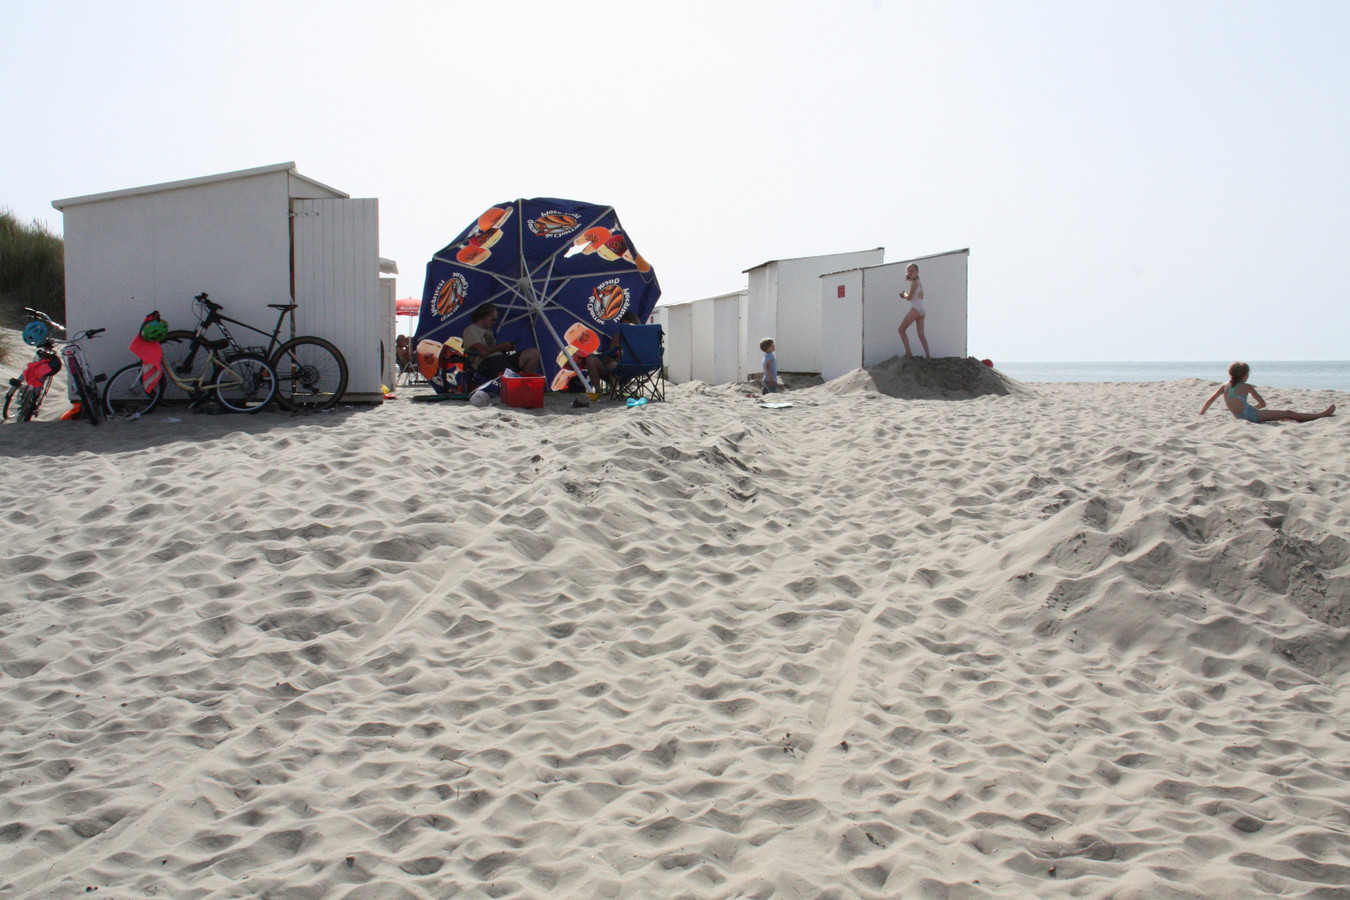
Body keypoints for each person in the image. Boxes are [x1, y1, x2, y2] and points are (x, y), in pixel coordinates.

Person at [1200, 361, 1335, 423]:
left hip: (1239, 417)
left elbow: (1210, 400)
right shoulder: (1247, 387)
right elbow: (1262, 404)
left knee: (1280, 416)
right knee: (1289, 412)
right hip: (1253, 416)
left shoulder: (1224, 386)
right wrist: (1254, 408)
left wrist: (1201, 414)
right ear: (1245, 375)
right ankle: (1320, 415)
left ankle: (1285, 419)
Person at [462, 302, 540, 379]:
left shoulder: (490, 331)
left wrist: (507, 348)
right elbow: (483, 352)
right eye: (493, 319)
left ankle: (527, 385)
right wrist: (501, 346)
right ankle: (517, 385)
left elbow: (495, 349)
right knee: (505, 368)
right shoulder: (471, 330)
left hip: (500, 359)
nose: (494, 322)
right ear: (485, 315)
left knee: (533, 353)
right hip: (485, 362)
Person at [583, 311, 641, 393]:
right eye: (623, 325)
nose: (625, 328)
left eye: (628, 325)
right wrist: (608, 357)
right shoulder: (617, 337)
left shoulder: (639, 338)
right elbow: (610, 354)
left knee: (613, 364)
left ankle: (612, 392)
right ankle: (598, 391)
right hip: (613, 366)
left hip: (629, 368)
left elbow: (638, 356)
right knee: (590, 359)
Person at [897, 263, 929, 358]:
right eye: (908, 271)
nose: (910, 273)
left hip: (916, 309)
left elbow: (909, 297)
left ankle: (908, 352)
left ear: (917, 272)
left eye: (912, 271)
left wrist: (905, 294)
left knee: (901, 329)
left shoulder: (914, 282)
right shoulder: (918, 282)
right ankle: (928, 356)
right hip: (922, 310)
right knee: (921, 335)